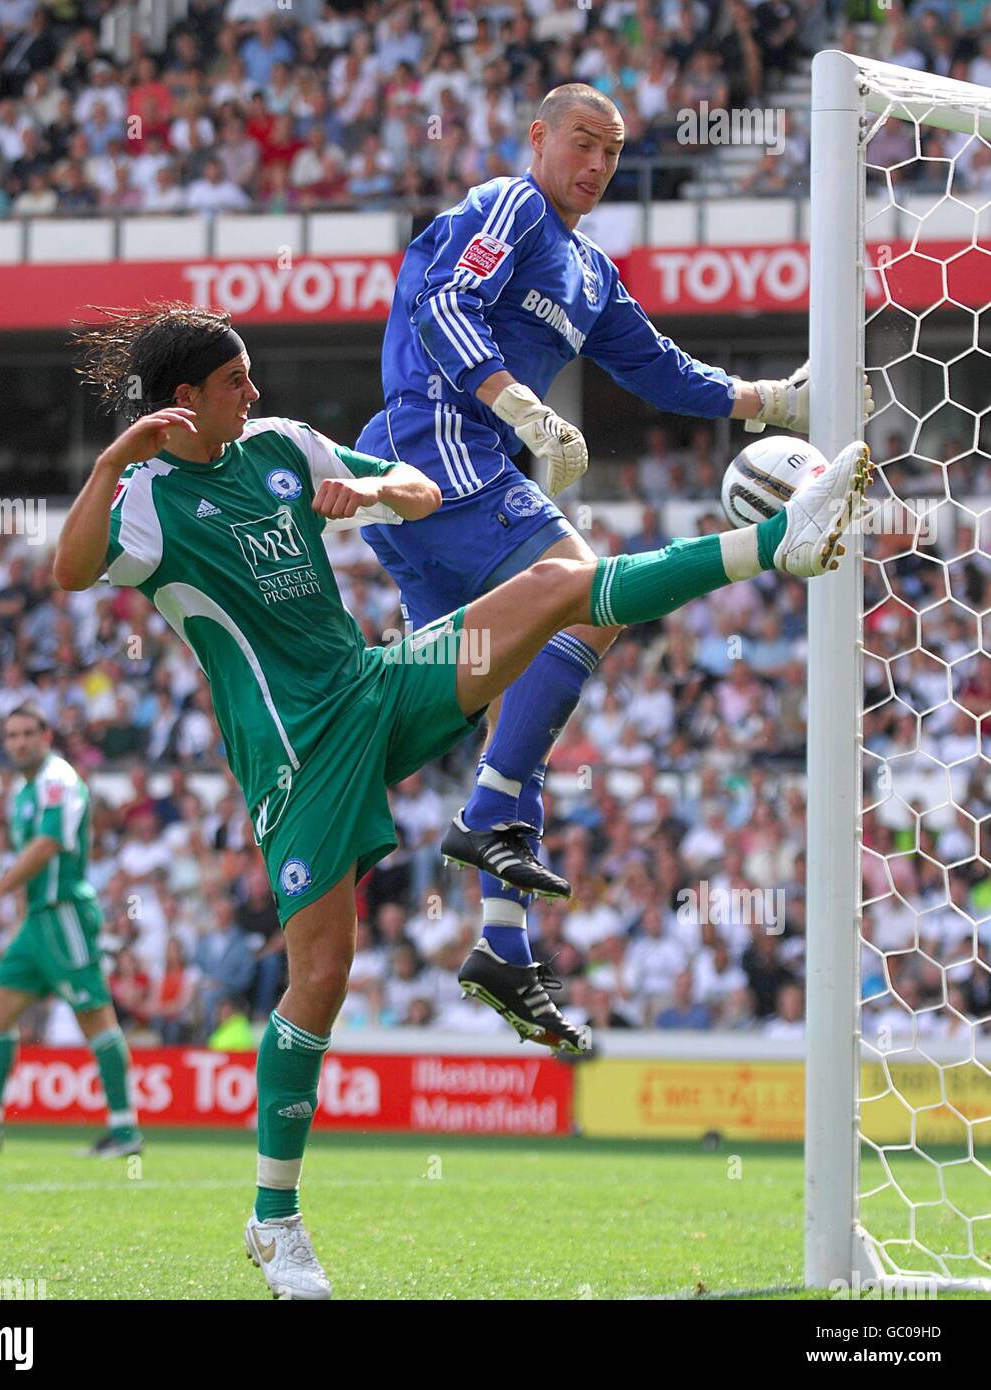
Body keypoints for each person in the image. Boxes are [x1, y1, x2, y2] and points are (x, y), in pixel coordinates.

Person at [54, 302, 869, 1298]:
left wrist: (369, 490)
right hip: (295, 754)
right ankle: (274, 1220)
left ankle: (772, 544)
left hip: (375, 688)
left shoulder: (276, 446)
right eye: (236, 382)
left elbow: (413, 482)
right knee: (320, 975)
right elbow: (70, 568)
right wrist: (108, 463)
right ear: (182, 403)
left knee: (558, 583)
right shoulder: (144, 499)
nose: (255, 393)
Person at [354, 81, 872, 1044]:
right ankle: (483, 812)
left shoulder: (590, 272)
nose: (594, 165)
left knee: (511, 689)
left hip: (445, 477)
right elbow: (438, 304)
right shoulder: (508, 206)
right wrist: (514, 400)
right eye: (581, 142)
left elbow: (656, 367)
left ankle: (500, 947)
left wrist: (764, 401)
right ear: (537, 136)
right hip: (435, 443)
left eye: (612, 152)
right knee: (584, 596)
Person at [0, 704, 144, 1158]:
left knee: (96, 1019)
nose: (19, 742)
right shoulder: (24, 792)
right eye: (11, 735)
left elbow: (49, 845)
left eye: (28, 733)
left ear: (46, 736)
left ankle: (126, 1133)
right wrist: (16, 909)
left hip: (65, 914)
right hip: (36, 922)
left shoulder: (59, 781)